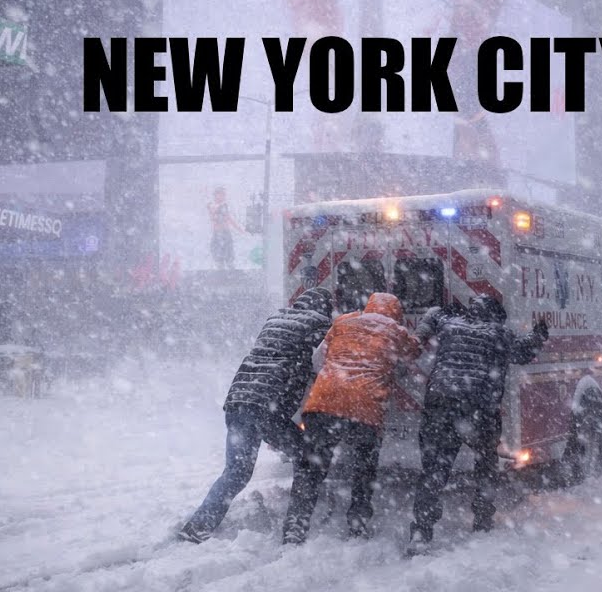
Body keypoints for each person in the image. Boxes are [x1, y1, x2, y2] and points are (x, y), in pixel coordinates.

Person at [178, 288, 335, 543]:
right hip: (268, 408)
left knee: (236, 472)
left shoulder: (274, 320)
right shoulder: (319, 326)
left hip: (238, 402)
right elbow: (321, 366)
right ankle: (295, 531)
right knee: (309, 461)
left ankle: (197, 526)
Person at [406, 295, 548, 556]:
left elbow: (433, 315)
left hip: (440, 402)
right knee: (485, 466)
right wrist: (539, 334)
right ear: (495, 316)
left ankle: (420, 532)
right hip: (478, 407)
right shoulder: (498, 333)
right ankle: (482, 522)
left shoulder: (450, 324)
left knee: (434, 471)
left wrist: (436, 315)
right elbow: (524, 352)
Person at [281, 292, 421, 544]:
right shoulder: (395, 330)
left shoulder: (343, 321)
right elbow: (413, 353)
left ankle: (295, 527)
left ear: (368, 306)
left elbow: (317, 361)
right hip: (364, 410)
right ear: (396, 314)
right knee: (363, 472)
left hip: (322, 405)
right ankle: (357, 525)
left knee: (310, 470)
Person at [207, 187, 244, 269]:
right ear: (216, 195)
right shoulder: (213, 206)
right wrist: (239, 229)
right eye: (222, 194)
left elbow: (228, 218)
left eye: (224, 195)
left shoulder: (223, 206)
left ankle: (228, 269)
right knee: (219, 254)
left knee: (227, 254)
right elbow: (215, 215)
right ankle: (223, 269)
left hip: (224, 232)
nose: (224, 197)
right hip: (219, 233)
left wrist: (239, 229)